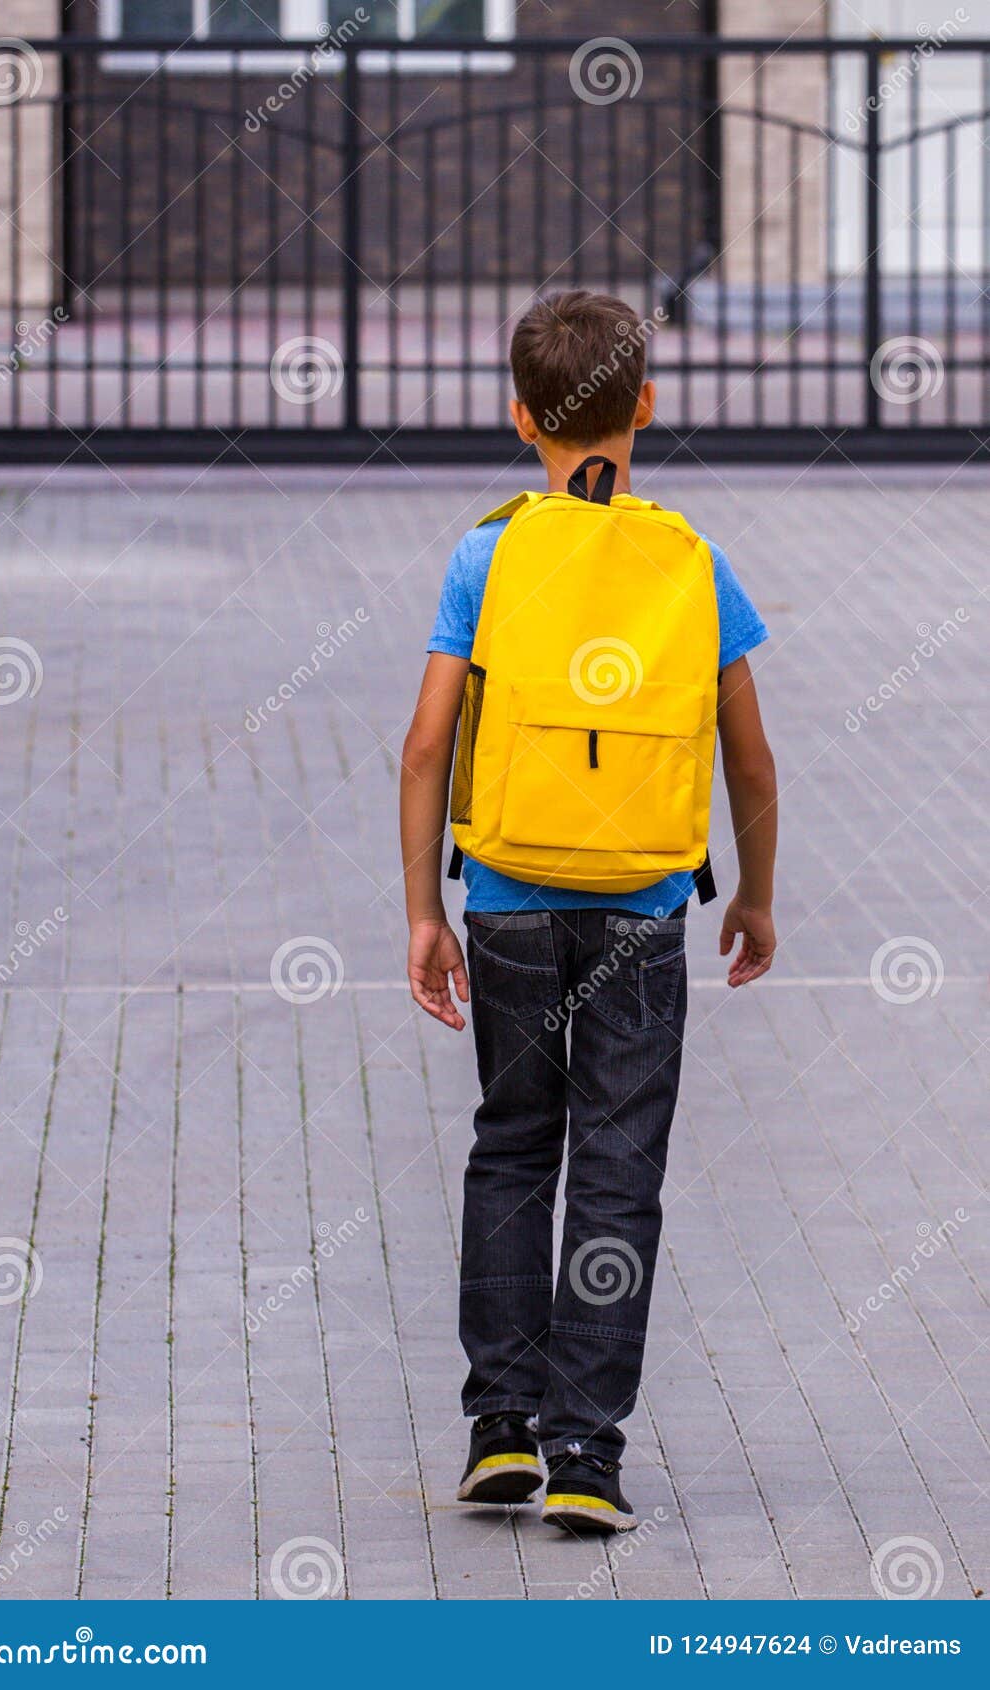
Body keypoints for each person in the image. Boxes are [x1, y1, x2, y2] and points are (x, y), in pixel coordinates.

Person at [399, 290, 778, 1533]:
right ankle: (584, 1454)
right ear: (646, 406)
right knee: (616, 1168)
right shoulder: (693, 560)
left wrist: (422, 912)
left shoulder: (486, 554)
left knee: (513, 1142)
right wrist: (755, 898)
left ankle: (496, 1427)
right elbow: (750, 757)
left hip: (505, 897)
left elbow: (422, 747)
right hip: (641, 909)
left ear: (521, 419)